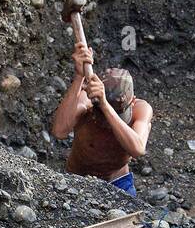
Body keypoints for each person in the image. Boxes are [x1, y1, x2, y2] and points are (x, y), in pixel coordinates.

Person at [51, 42, 153, 197]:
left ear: (132, 102)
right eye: (100, 115)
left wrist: (105, 106)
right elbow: (59, 131)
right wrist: (79, 77)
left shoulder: (140, 109)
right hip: (77, 179)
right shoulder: (86, 101)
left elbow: (137, 149)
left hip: (117, 182)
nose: (105, 124)